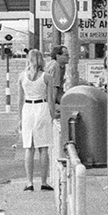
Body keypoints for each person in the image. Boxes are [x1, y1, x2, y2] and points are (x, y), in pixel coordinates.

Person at [18, 48, 50, 192]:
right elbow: (51, 98)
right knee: (43, 148)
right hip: (42, 107)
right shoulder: (46, 77)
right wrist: (53, 116)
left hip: (27, 109)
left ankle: (29, 182)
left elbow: (20, 99)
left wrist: (20, 118)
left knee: (28, 147)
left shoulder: (21, 76)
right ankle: (44, 182)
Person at [42, 44, 69, 189]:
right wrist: (57, 108)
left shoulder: (57, 66)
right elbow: (53, 91)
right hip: (48, 104)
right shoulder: (56, 67)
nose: (68, 57)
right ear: (57, 56)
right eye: (65, 54)